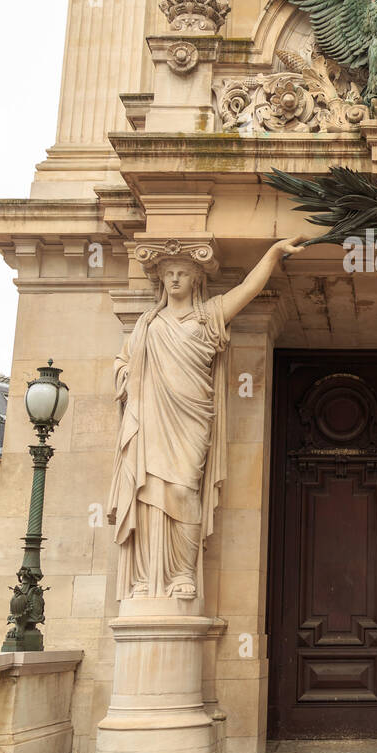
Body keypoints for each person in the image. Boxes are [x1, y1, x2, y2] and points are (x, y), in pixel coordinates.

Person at [109, 238, 305, 600]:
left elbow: (248, 289)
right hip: (153, 415)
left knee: (184, 491)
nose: (175, 279)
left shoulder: (210, 315)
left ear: (197, 279)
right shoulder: (148, 324)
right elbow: (124, 362)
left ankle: (183, 571)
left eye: (183, 272)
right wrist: (125, 376)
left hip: (192, 417)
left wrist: (273, 253)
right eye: (169, 274)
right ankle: (146, 578)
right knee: (149, 492)